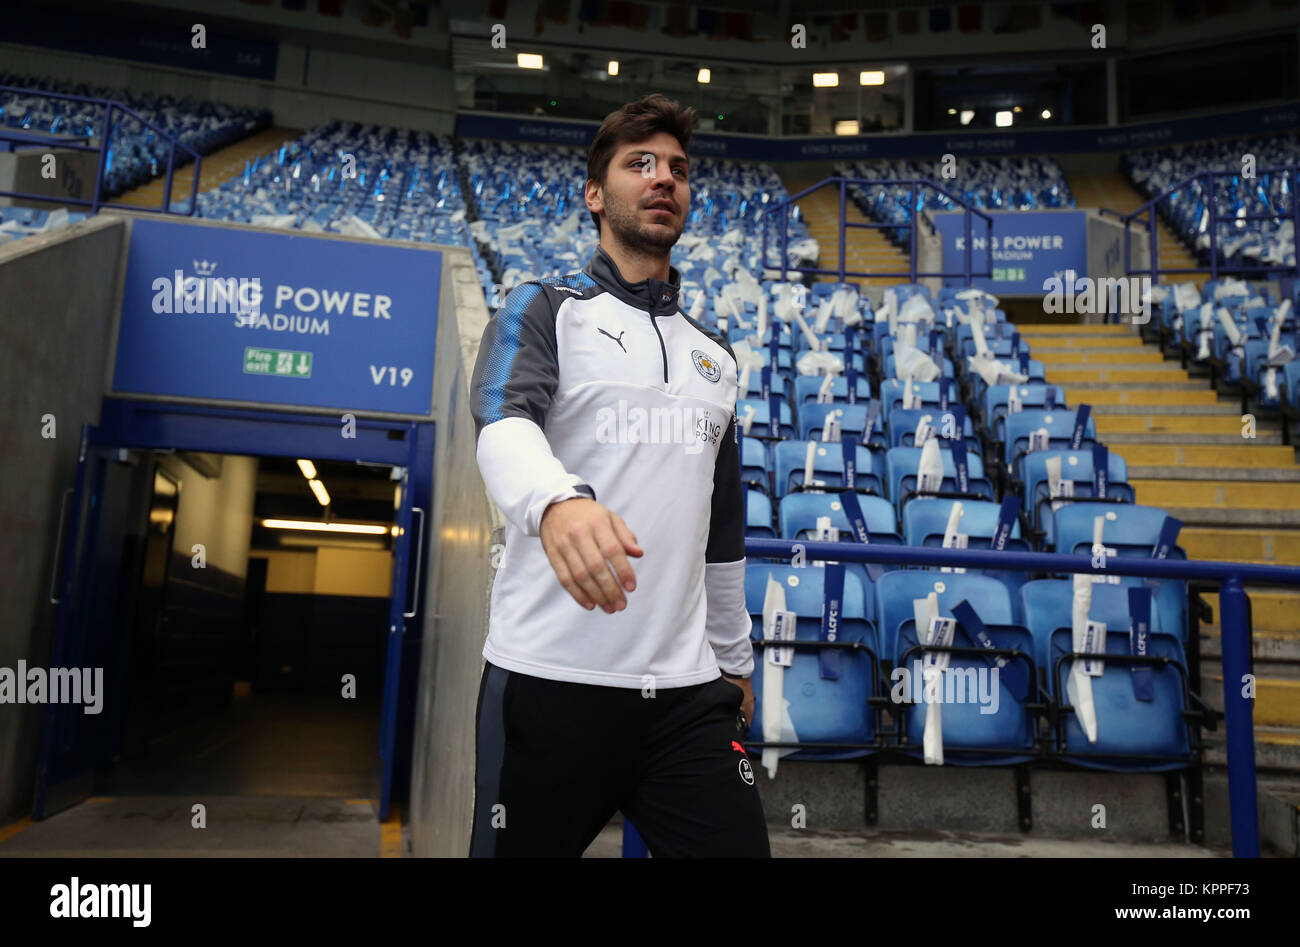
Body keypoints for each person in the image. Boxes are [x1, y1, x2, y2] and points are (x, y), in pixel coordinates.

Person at [467, 93, 770, 857]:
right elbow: (501, 419)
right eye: (640, 163)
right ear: (595, 195)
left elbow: (721, 531)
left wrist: (734, 661)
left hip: (685, 697)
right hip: (546, 682)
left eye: (678, 168)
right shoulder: (545, 308)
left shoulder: (716, 357)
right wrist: (557, 502)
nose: (664, 178)